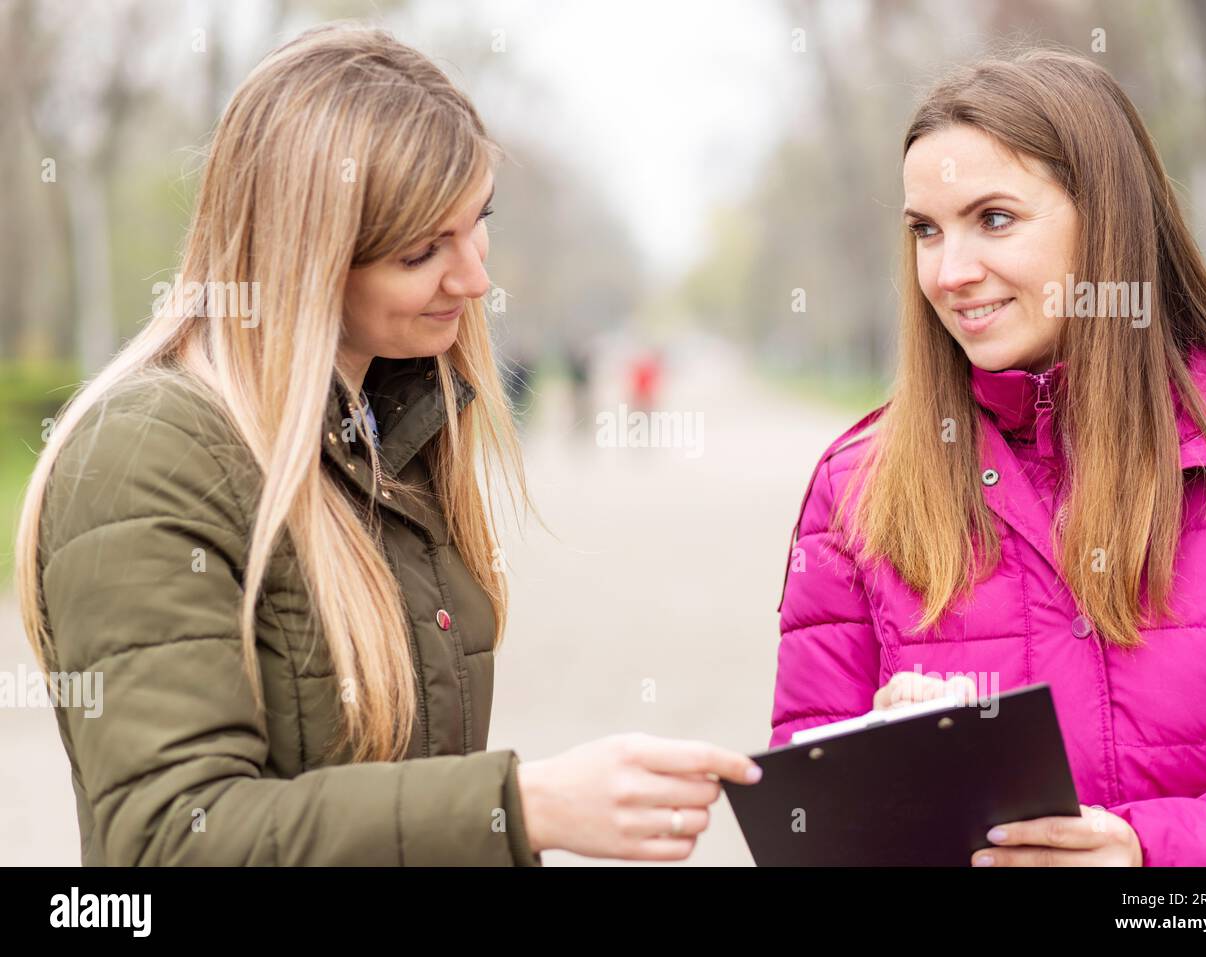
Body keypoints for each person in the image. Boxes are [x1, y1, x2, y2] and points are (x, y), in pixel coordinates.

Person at [15, 22, 758, 867]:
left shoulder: (390, 423)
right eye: (420, 252)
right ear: (308, 259)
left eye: (478, 222)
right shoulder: (147, 455)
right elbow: (171, 840)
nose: (475, 278)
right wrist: (520, 807)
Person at [771, 49, 1206, 866]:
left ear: (1106, 222)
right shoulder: (856, 490)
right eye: (925, 231)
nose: (950, 274)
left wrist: (1150, 856)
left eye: (993, 219)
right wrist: (888, 772)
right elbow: (810, 837)